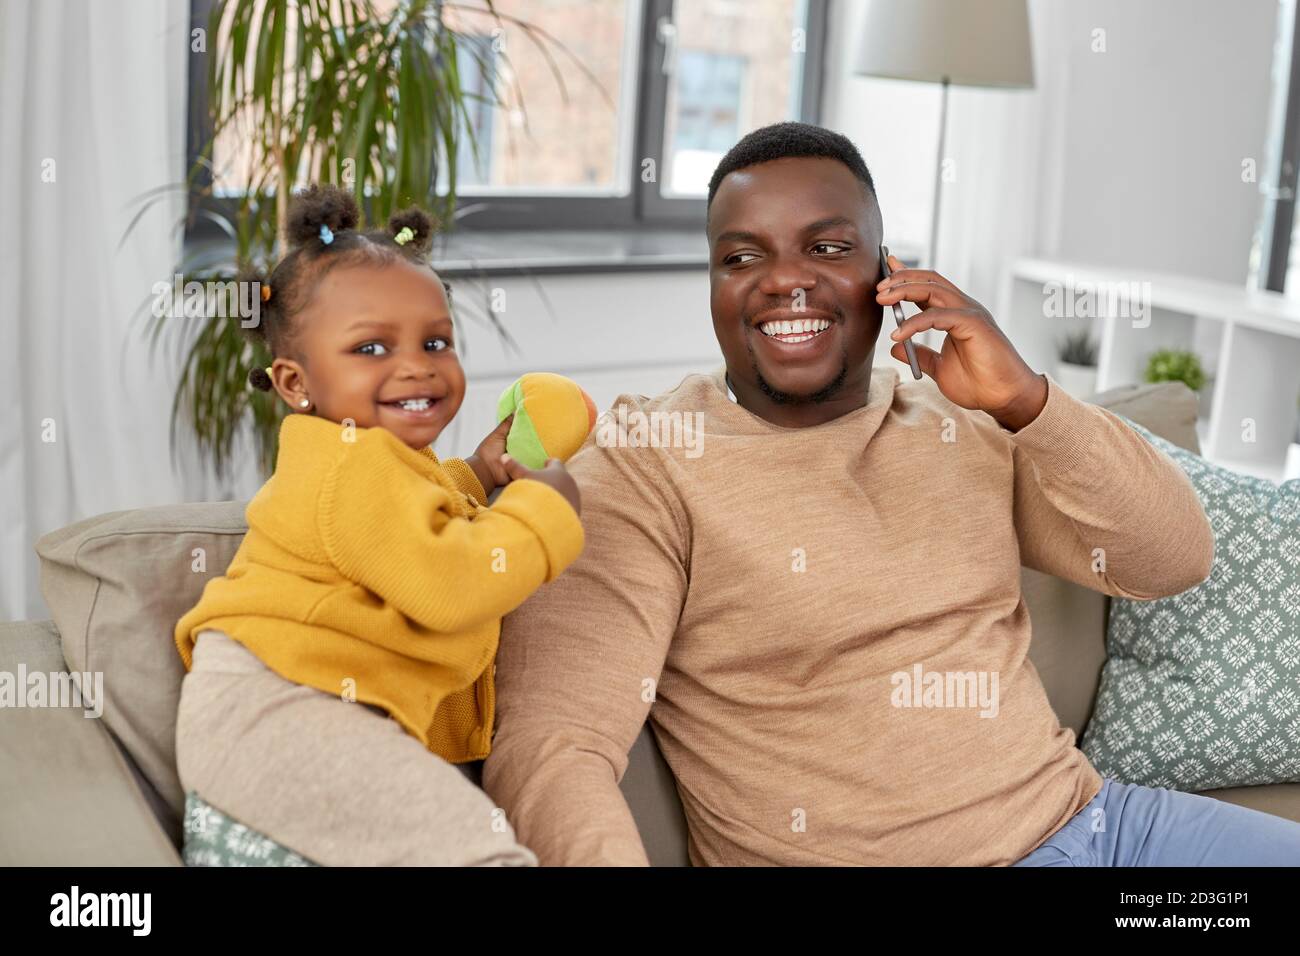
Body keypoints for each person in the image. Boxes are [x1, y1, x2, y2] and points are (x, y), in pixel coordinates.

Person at [482, 121, 1300, 866]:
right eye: (742, 257)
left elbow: (1172, 558)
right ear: (713, 285)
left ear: (890, 273)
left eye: (828, 248)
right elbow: (555, 747)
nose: (783, 281)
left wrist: (1028, 401)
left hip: (1104, 831)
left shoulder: (963, 420)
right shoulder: (644, 462)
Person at [173, 184, 583, 865]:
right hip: (278, 713)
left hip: (289, 717)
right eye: (371, 348)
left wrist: (478, 475)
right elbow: (451, 582)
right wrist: (547, 512)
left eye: (436, 340)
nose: (416, 364)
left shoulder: (366, 464)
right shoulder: (346, 465)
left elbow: (400, 529)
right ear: (295, 383)